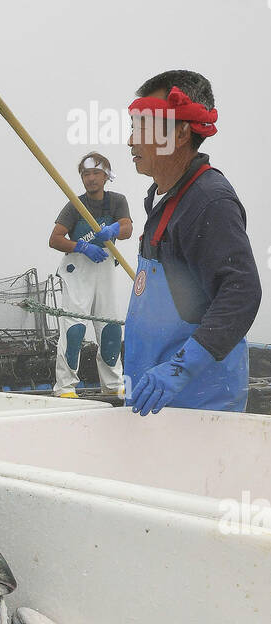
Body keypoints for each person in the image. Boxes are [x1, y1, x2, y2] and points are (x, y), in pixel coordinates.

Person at [125, 69, 262, 415]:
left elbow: (241, 291)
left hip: (198, 409)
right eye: (133, 126)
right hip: (157, 404)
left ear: (182, 132)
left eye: (144, 127)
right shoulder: (162, 197)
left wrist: (178, 370)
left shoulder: (207, 201)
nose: (131, 141)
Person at [49, 154, 133, 400]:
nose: (91, 179)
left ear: (106, 175)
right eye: (86, 175)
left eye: (95, 173)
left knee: (110, 327)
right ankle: (65, 387)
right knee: (74, 328)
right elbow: (55, 238)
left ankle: (113, 384)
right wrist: (82, 247)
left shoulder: (117, 201)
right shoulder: (75, 204)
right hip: (78, 270)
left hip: (105, 268)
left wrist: (114, 229)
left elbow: (127, 228)